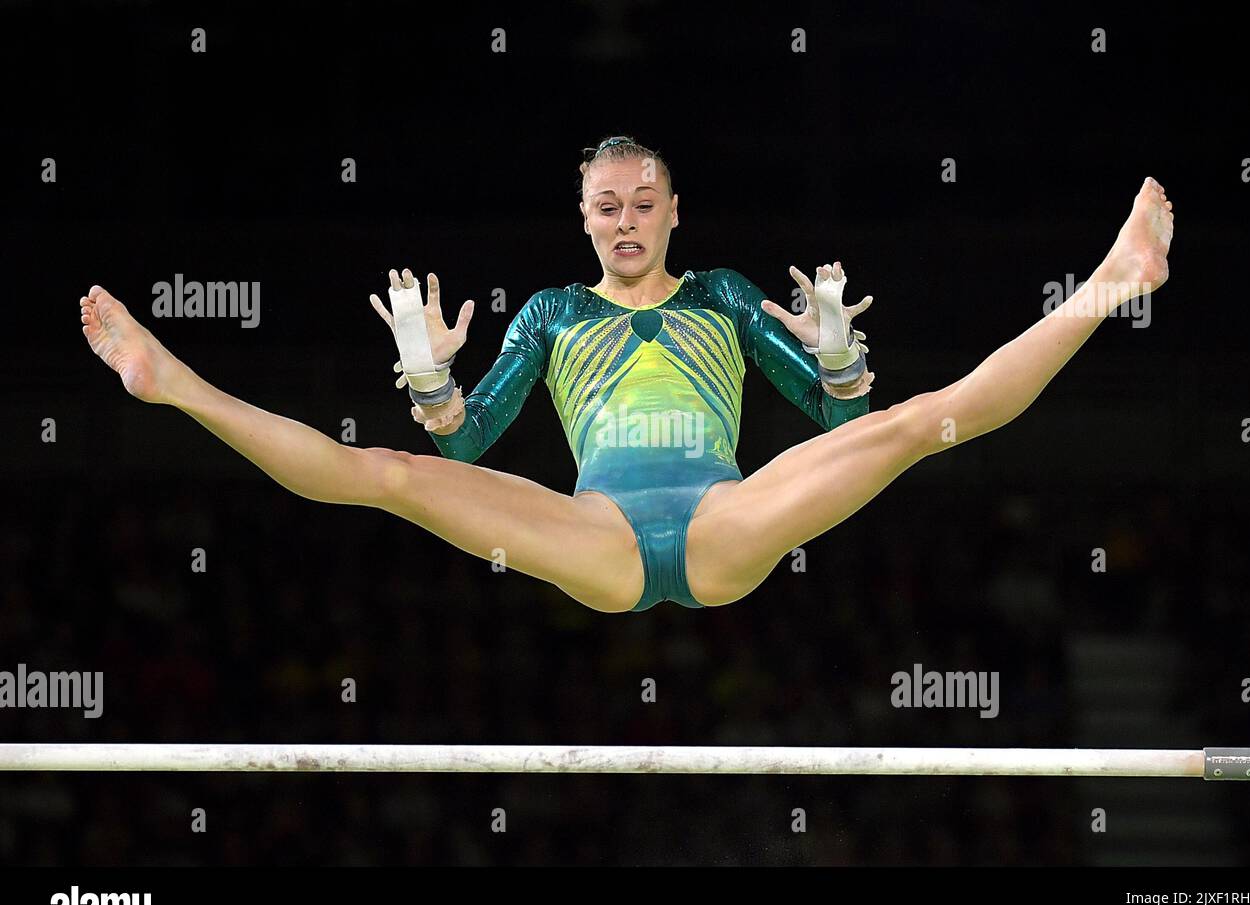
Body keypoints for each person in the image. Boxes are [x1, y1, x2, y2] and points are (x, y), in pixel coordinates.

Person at [80, 136, 1173, 614]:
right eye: (606, 205)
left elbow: (837, 409)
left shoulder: (725, 295)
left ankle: (1108, 281)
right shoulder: (552, 315)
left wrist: (839, 355)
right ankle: (176, 381)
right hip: (596, 534)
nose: (626, 219)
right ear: (584, 219)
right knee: (392, 472)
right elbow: (462, 443)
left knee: (916, 423)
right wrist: (428, 384)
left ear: (674, 210)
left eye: (644, 201)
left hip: (722, 522)